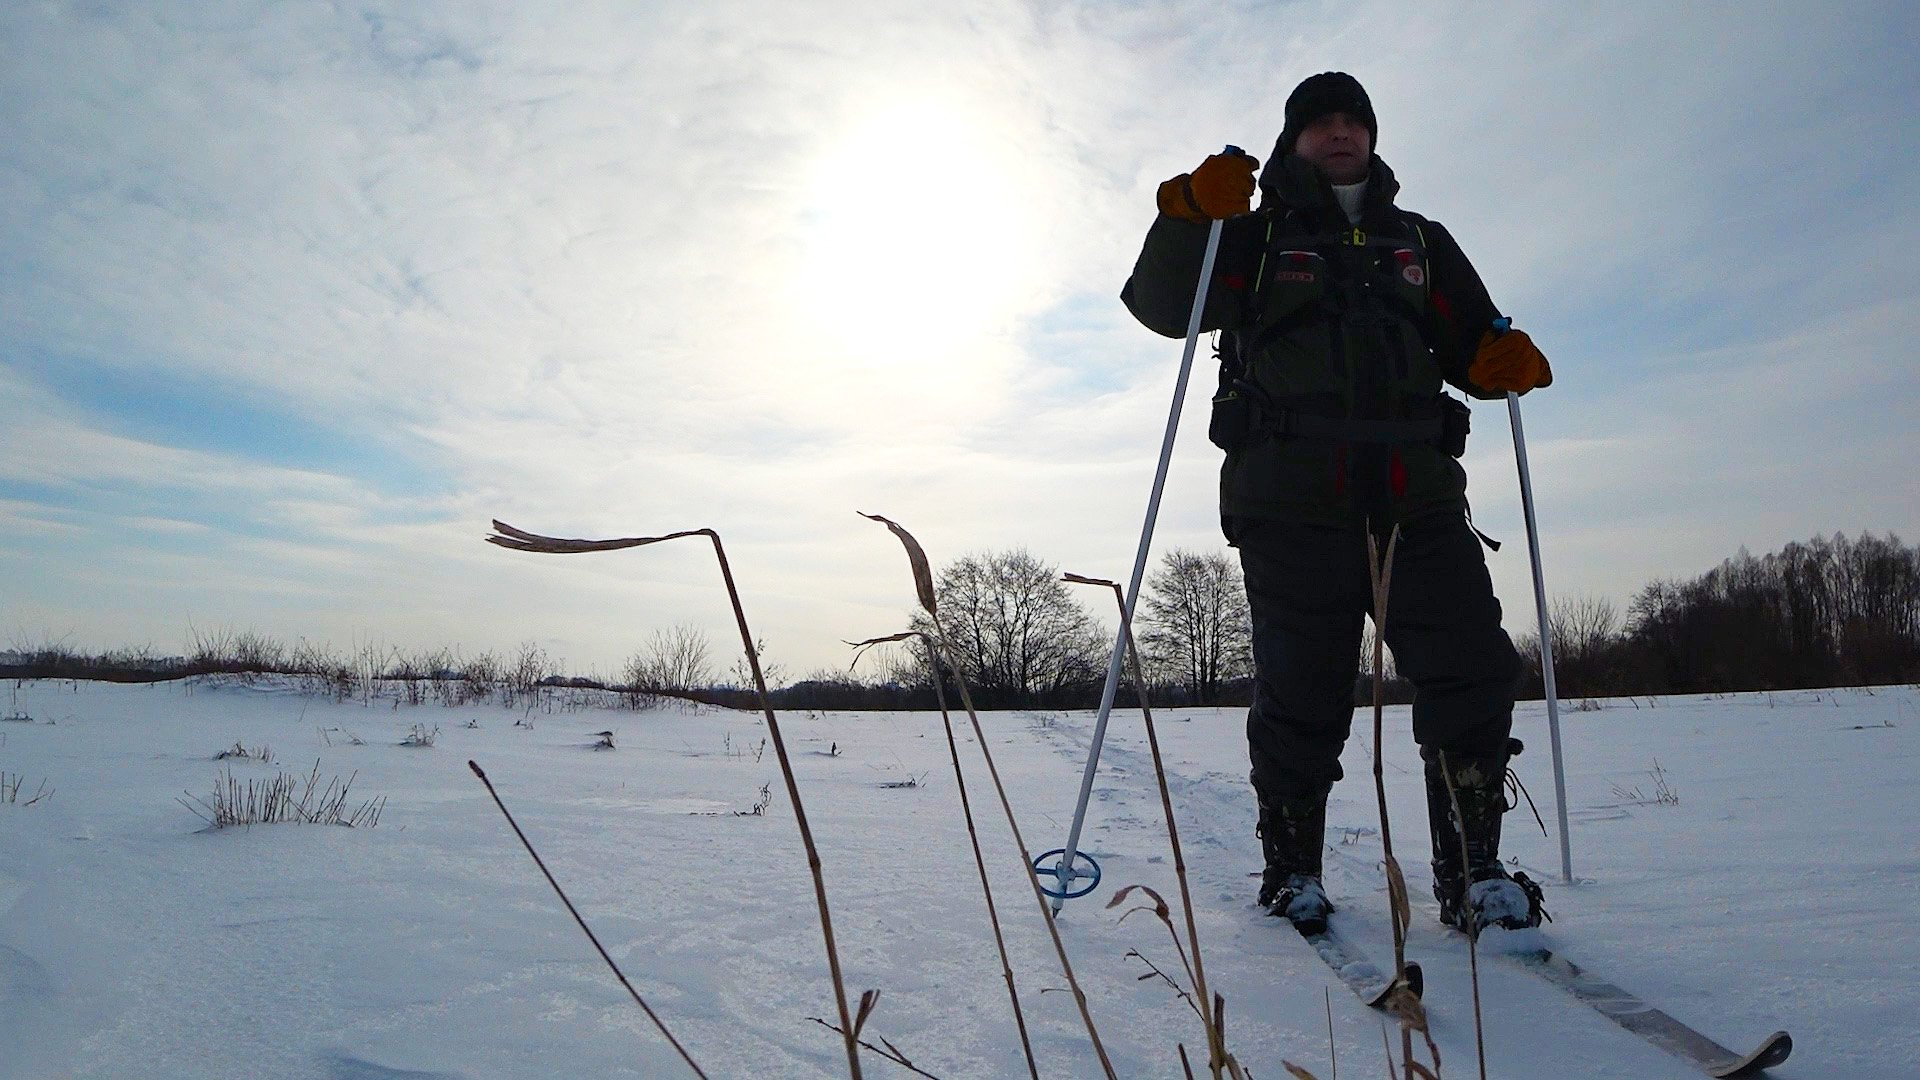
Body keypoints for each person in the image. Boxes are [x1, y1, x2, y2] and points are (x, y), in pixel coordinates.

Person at [1120, 72, 1553, 934]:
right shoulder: (1252, 234)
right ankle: (1293, 871)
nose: (1341, 132)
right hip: (1292, 502)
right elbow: (1163, 308)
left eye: (1354, 119)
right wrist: (1184, 212)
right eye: (1321, 122)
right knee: (1304, 689)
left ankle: (1474, 872)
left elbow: (1475, 341)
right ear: (1294, 140)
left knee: (1472, 667)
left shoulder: (1420, 241)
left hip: (1419, 500)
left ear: (1374, 136)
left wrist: (1503, 360)